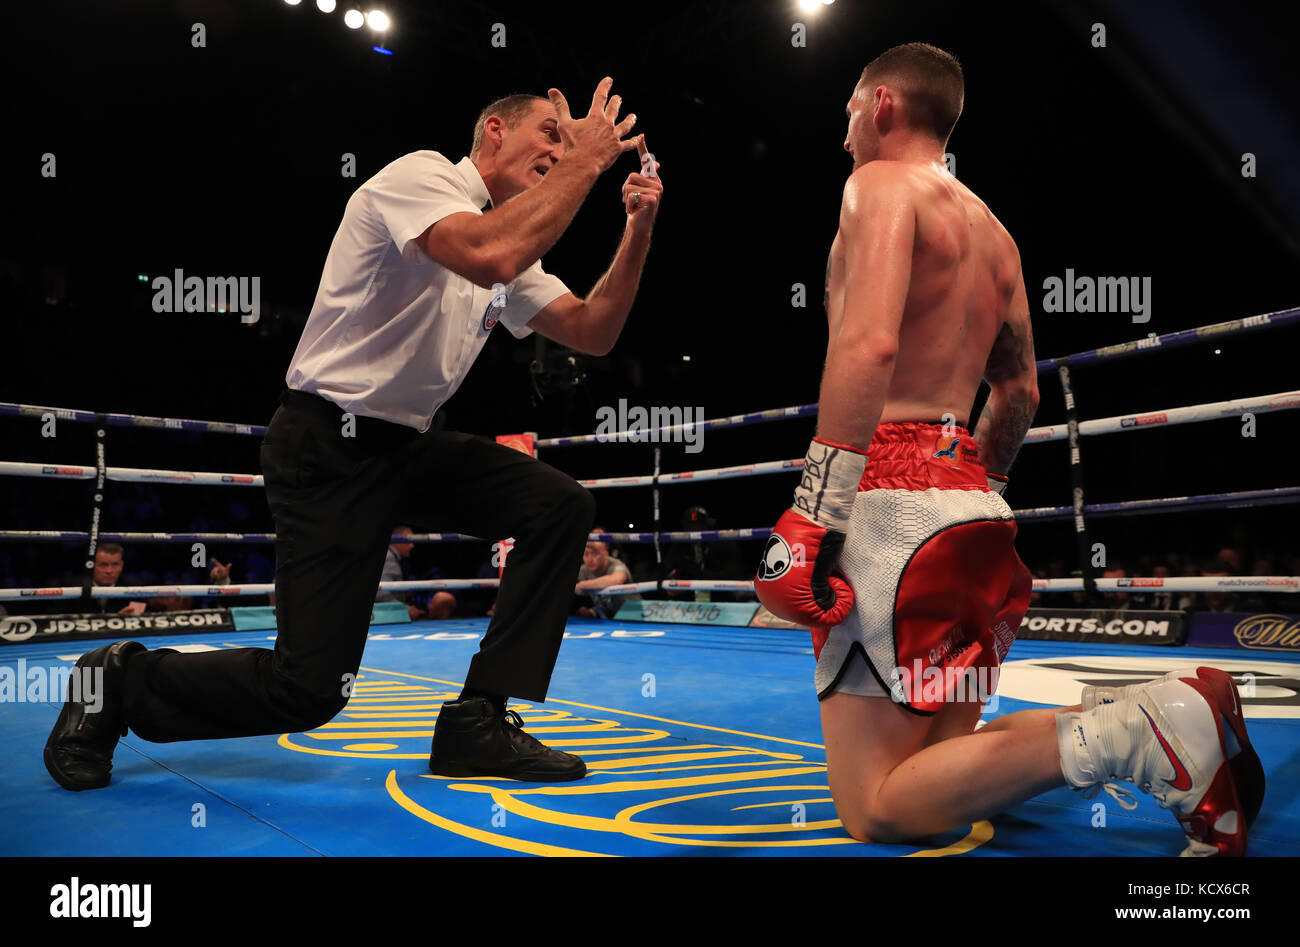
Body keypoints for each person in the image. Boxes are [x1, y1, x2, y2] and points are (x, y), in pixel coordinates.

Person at [45, 78, 665, 792]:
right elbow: (488, 254)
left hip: (408, 445)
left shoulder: (512, 241)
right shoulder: (422, 177)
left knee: (560, 505)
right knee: (307, 689)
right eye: (549, 134)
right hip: (327, 445)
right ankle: (116, 680)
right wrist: (588, 161)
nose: (562, 150)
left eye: (569, 140)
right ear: (494, 130)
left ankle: (479, 721)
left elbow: (593, 328)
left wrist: (638, 230)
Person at [754, 43, 1261, 855]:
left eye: (849, 109)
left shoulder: (877, 185)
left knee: (877, 807)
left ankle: (1142, 729)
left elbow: (869, 346)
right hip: (975, 501)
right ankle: (1172, 709)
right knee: (944, 766)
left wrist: (813, 510)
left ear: (882, 104)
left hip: (888, 503)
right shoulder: (996, 234)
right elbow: (1019, 391)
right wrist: (959, 491)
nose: (843, 129)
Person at [574, 533, 638, 618]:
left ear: (605, 554)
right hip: (609, 618)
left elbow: (616, 579)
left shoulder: (616, 564)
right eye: (585, 554)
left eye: (594, 554)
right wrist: (592, 612)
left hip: (636, 614)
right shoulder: (583, 570)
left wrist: (581, 585)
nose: (590, 559)